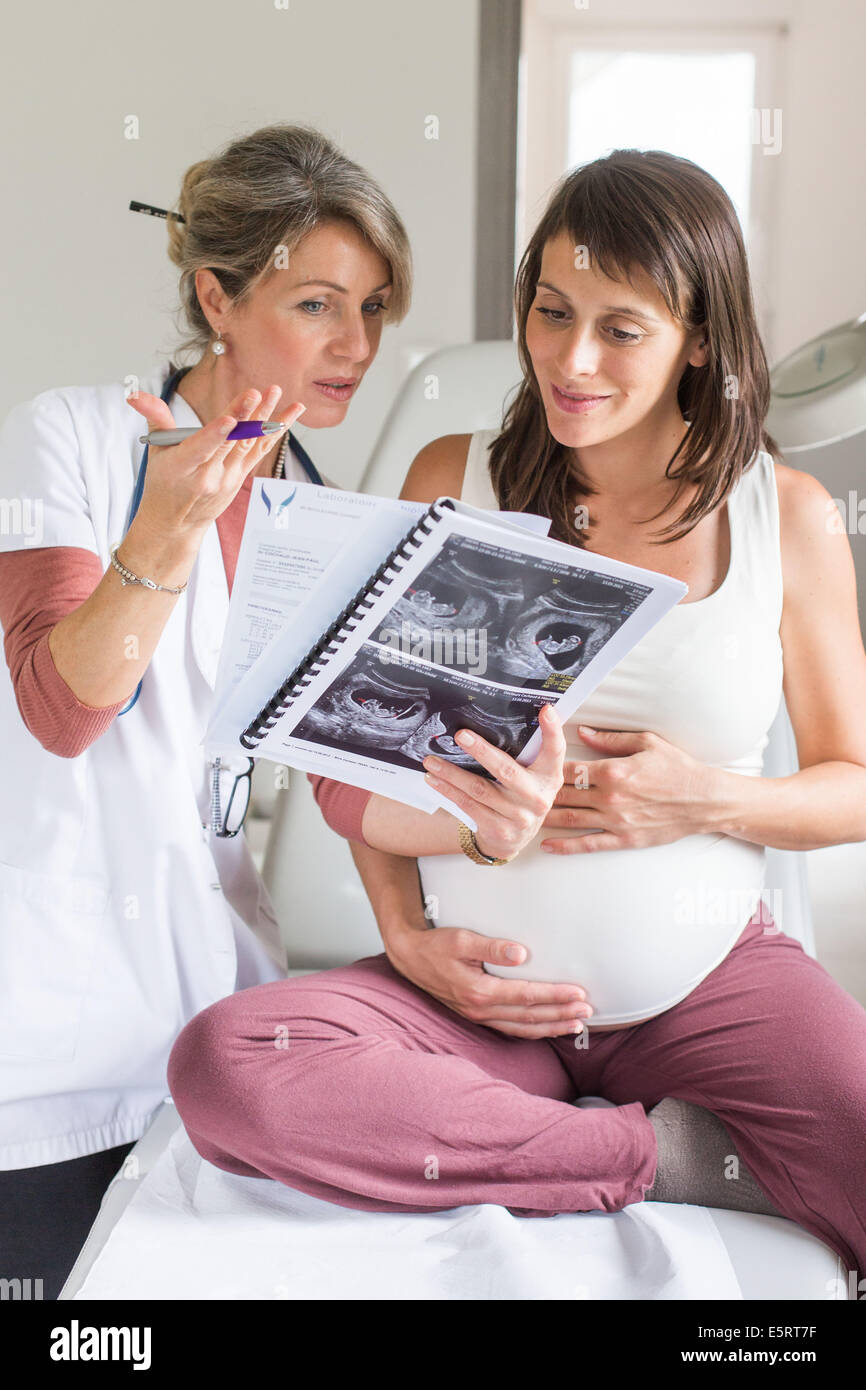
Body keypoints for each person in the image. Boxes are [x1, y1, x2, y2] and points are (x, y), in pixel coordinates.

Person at [167, 150, 866, 1283]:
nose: (570, 360)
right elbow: (351, 764)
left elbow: (852, 784)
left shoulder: (782, 514)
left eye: (619, 329)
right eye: (549, 313)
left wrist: (705, 796)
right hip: (479, 1006)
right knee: (229, 1067)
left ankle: (622, 1130)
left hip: (704, 988)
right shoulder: (455, 478)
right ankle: (650, 1153)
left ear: (697, 336)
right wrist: (403, 934)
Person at [0, 121, 411, 1298]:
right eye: (320, 304)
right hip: (48, 1031)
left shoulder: (329, 515)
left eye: (374, 308)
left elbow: (347, 780)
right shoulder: (70, 438)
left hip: (216, 1020)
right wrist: (165, 530)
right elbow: (63, 706)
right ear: (215, 295)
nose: (357, 345)